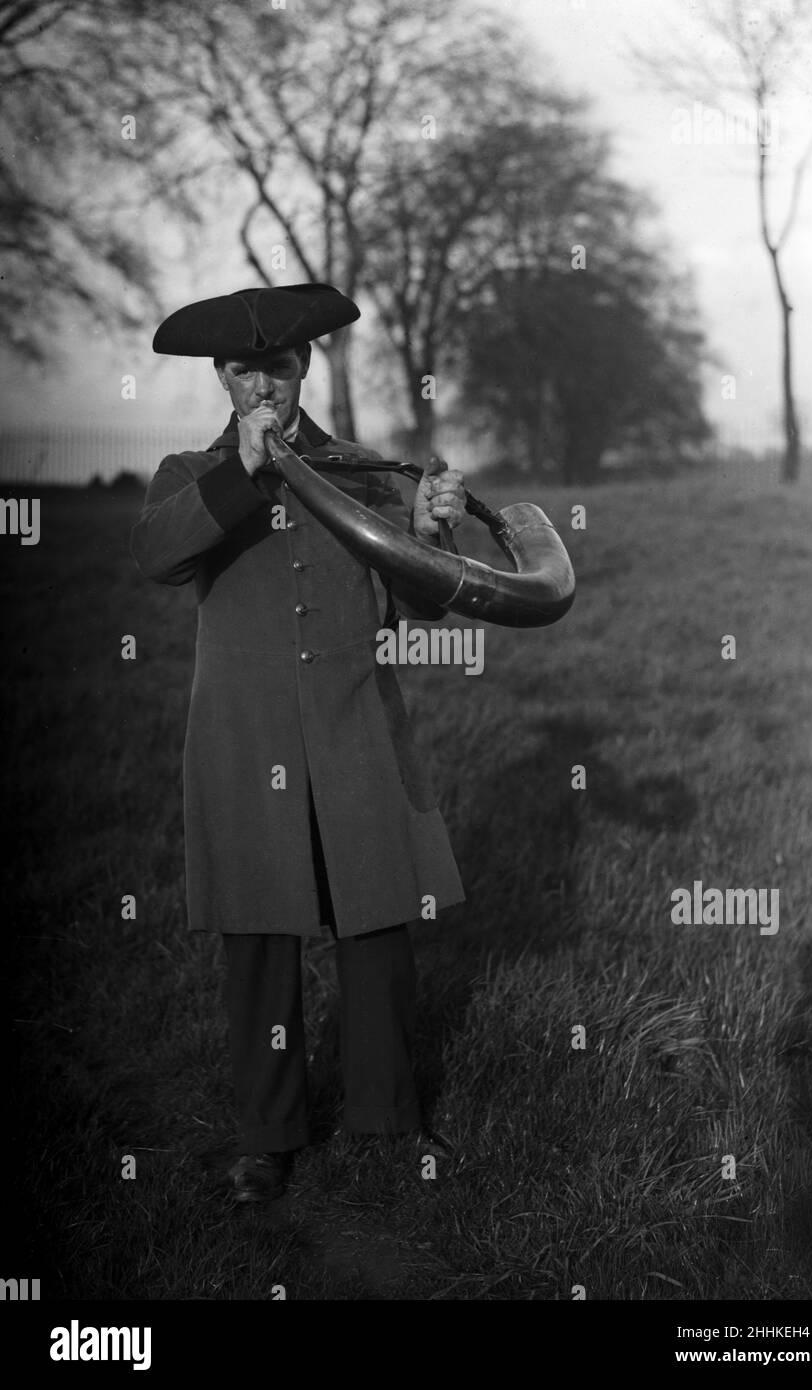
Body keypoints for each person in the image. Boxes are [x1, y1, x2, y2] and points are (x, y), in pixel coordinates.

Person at [131, 283, 467, 1203]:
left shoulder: (363, 473)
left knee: (378, 928)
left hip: (355, 723)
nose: (262, 384)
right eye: (243, 369)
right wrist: (241, 470)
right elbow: (157, 556)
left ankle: (388, 1118)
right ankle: (266, 1136)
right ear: (222, 376)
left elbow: (431, 598)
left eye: (276, 365)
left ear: (304, 365)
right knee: (259, 938)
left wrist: (431, 529)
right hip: (244, 741)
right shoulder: (183, 475)